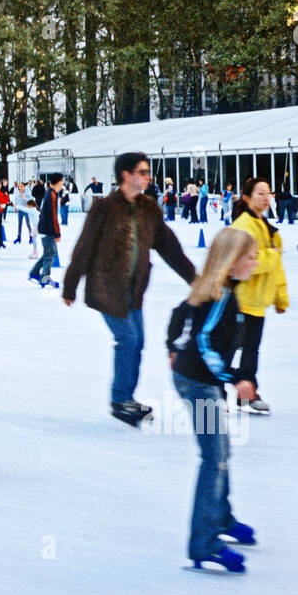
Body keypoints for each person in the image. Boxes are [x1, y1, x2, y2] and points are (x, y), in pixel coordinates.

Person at [63, 152, 196, 427]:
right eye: (143, 172)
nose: (148, 177)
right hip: (106, 288)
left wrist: (193, 278)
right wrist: (70, 284)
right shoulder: (105, 208)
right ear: (126, 175)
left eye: (148, 172)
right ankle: (120, 399)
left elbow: (169, 246)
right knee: (128, 340)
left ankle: (127, 397)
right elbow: (85, 246)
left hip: (135, 290)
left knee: (139, 342)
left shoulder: (149, 208)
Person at [167, 228, 261, 574]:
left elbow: (181, 315)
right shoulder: (220, 295)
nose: (255, 261)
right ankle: (204, 543)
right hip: (199, 386)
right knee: (213, 458)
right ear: (233, 260)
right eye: (250, 256)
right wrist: (235, 378)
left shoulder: (218, 291)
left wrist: (173, 346)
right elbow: (205, 343)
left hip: (201, 382)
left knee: (221, 452)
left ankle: (220, 518)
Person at [229, 179, 288, 415]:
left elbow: (276, 267)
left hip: (257, 301)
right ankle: (218, 392)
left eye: (268, 193)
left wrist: (280, 297)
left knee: (251, 350)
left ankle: (247, 394)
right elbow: (245, 263)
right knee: (229, 349)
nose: (266, 197)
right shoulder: (244, 225)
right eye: (260, 193)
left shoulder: (265, 225)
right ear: (246, 198)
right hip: (240, 299)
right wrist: (272, 255)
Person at [29, 173, 63, 288]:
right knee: (50, 254)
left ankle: (35, 272)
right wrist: (57, 232)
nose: (63, 184)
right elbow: (53, 215)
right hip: (47, 229)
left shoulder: (51, 193)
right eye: (62, 182)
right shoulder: (52, 194)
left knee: (49, 253)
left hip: (45, 228)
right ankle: (44, 278)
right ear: (58, 182)